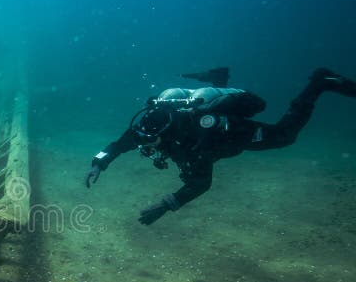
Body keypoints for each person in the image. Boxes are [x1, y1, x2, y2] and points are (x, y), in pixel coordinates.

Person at [85, 67, 356, 225]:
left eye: (149, 143)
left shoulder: (199, 137)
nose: (145, 148)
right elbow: (120, 144)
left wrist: (166, 206)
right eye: (143, 141)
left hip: (232, 134)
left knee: (285, 136)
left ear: (165, 134)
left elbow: (201, 182)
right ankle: (219, 78)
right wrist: (99, 163)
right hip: (204, 127)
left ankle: (319, 83)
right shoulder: (147, 126)